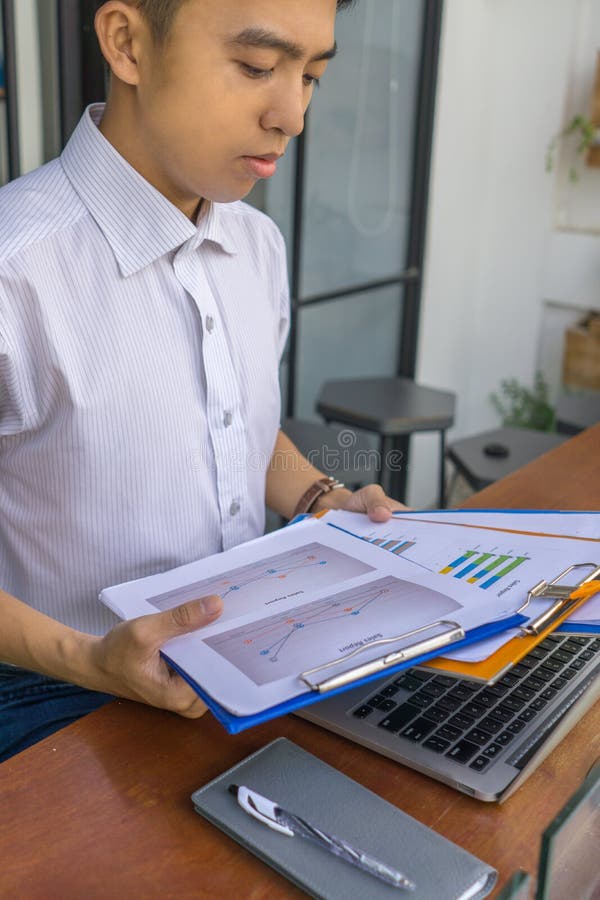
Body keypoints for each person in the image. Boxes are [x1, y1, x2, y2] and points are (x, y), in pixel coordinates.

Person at [0, 0, 404, 762]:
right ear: (127, 43)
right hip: (57, 699)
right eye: (257, 67)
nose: (292, 116)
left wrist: (323, 500)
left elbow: (234, 427)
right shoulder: (14, 270)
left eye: (310, 76)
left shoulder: (258, 246)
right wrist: (91, 660)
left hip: (250, 666)